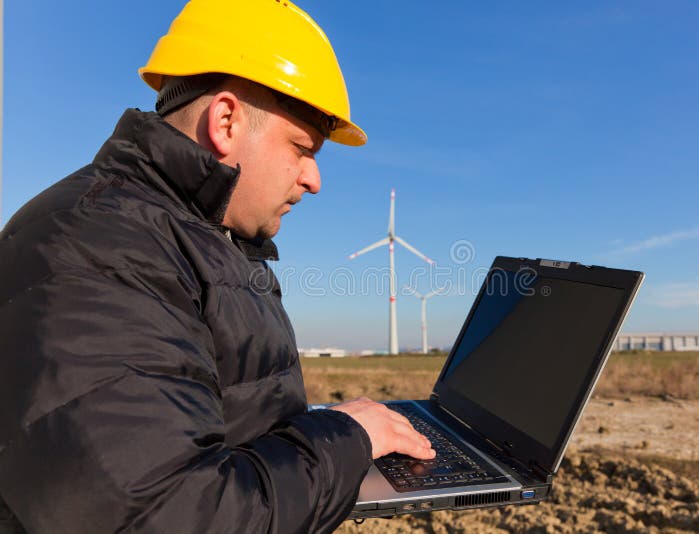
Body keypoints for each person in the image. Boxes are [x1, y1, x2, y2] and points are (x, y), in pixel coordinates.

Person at [0, 1, 434, 532]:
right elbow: (167, 513)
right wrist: (346, 438)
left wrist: (335, 429)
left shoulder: (196, 237)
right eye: (302, 148)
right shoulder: (101, 247)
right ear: (225, 121)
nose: (314, 179)